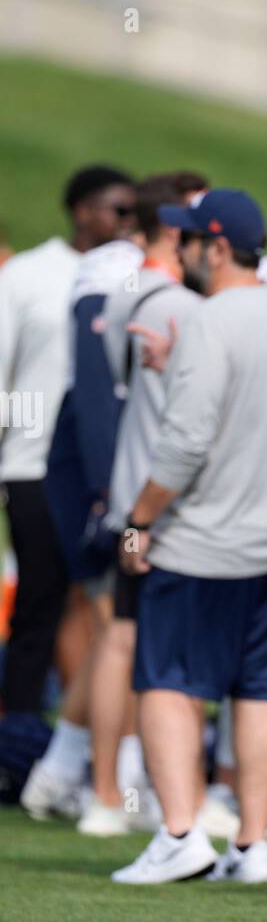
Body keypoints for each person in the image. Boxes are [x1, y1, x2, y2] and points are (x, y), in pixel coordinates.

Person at [109, 188, 267, 885]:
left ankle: (180, 835)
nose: (181, 253)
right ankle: (252, 845)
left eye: (189, 241)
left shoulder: (209, 318)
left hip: (203, 542)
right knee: (263, 691)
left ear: (218, 247)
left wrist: (140, 519)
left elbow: (186, 442)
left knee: (168, 682)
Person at [76, 170, 208, 837]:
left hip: (138, 488)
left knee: (124, 637)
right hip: (168, 495)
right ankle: (154, 794)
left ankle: (112, 792)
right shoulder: (174, 303)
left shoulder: (131, 293)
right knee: (163, 646)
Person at [0, 166, 135, 758]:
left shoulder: (133, 275)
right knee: (39, 604)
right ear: (81, 209)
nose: (126, 223)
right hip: (32, 463)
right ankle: (20, 736)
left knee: (99, 607)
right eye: (115, 209)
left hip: (103, 467)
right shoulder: (27, 274)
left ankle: (75, 749)